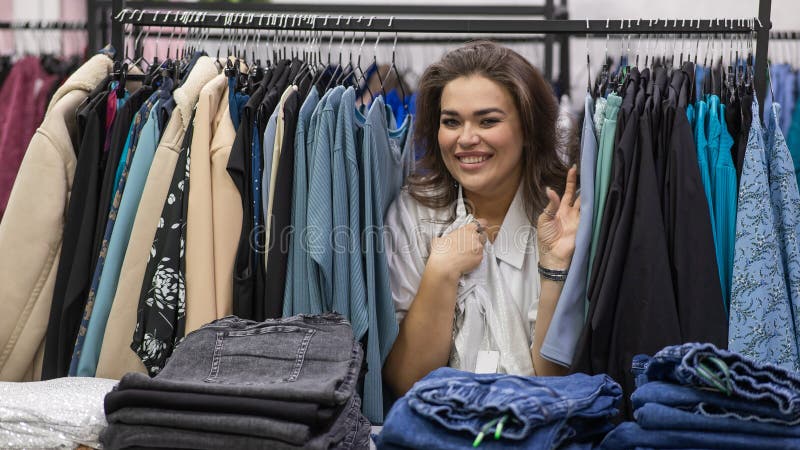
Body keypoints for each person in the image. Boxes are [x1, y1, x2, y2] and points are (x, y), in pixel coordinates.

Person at [382, 41, 580, 396]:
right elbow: (403, 384)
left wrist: (554, 269)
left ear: (528, 128)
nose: (466, 138)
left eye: (488, 121)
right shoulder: (414, 213)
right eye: (451, 121)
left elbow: (555, 384)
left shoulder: (566, 216)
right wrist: (440, 273)